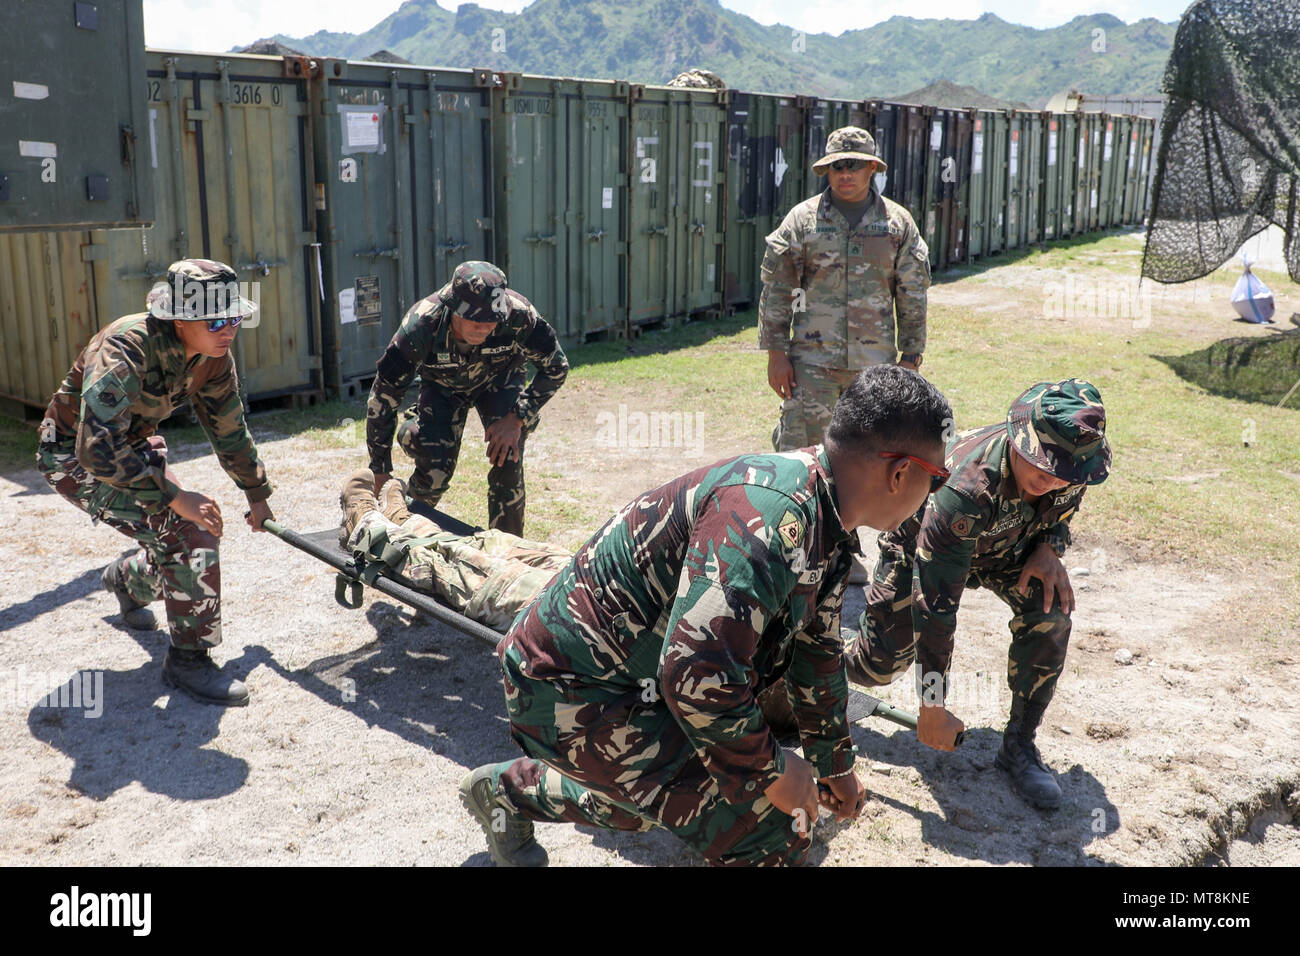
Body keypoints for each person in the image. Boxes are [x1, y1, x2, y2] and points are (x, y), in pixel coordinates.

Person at [458, 365, 954, 866]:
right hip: (567, 687)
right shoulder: (775, 514)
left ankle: (512, 792)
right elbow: (696, 673)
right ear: (899, 473)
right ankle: (541, 784)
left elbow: (817, 653)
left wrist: (834, 764)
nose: (934, 494)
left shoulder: (825, 513)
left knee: (671, 799)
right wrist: (772, 771)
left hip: (632, 681)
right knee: (772, 829)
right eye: (936, 480)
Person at [841, 379, 1112, 810]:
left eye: (1064, 473)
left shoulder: (1073, 464)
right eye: (1042, 468)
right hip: (923, 552)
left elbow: (1060, 514)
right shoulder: (963, 489)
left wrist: (1049, 547)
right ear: (1019, 442)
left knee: (1051, 611)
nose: (1053, 481)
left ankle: (1019, 745)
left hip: (1009, 548)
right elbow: (937, 608)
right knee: (877, 667)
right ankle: (813, 660)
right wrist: (933, 704)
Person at [36, 259, 275, 707]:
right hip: (74, 456)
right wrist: (173, 495)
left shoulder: (213, 355)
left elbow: (228, 428)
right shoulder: (126, 345)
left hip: (128, 449)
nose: (230, 330)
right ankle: (188, 660)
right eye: (218, 320)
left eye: (237, 318)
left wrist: (256, 494)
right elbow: (96, 448)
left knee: (184, 530)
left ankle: (126, 579)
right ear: (181, 318)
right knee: (190, 530)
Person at [758, 126, 931, 453]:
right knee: (803, 459)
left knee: (870, 458)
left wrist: (911, 358)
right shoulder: (802, 220)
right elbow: (779, 290)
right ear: (826, 170)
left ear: (872, 168)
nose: (845, 173)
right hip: (811, 367)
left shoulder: (897, 223)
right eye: (838, 166)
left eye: (855, 165)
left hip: (875, 368)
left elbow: (913, 295)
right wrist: (776, 355)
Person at [365, 261, 568, 537]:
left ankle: (508, 551)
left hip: (500, 379)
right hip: (442, 387)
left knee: (508, 455)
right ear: (453, 307)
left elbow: (556, 366)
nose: (484, 328)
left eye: (491, 320)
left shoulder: (518, 314)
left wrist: (518, 417)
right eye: (475, 319)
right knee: (433, 474)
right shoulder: (421, 324)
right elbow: (383, 396)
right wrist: (380, 469)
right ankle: (403, 534)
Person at [337, 468, 569, 632]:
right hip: (590, 587)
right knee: (511, 547)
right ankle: (405, 522)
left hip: (578, 624)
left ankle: (364, 527)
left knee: (480, 574)